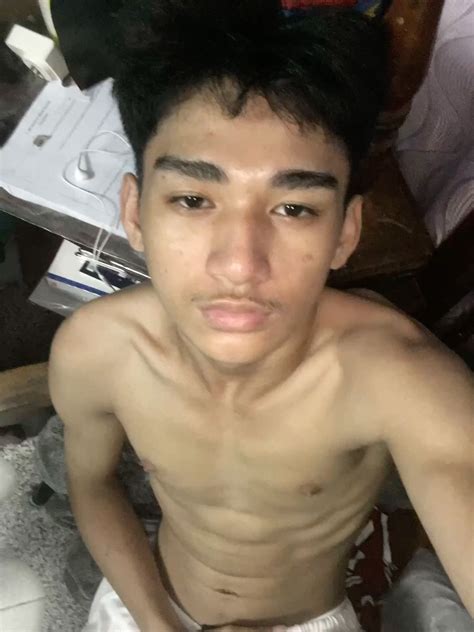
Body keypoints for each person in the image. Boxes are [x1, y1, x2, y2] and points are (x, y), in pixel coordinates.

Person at [48, 1, 474, 630]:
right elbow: (91, 484)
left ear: (346, 231)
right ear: (136, 213)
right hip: (148, 604)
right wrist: (158, 621)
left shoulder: (398, 379)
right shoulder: (95, 350)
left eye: (294, 208)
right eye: (193, 199)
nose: (240, 265)